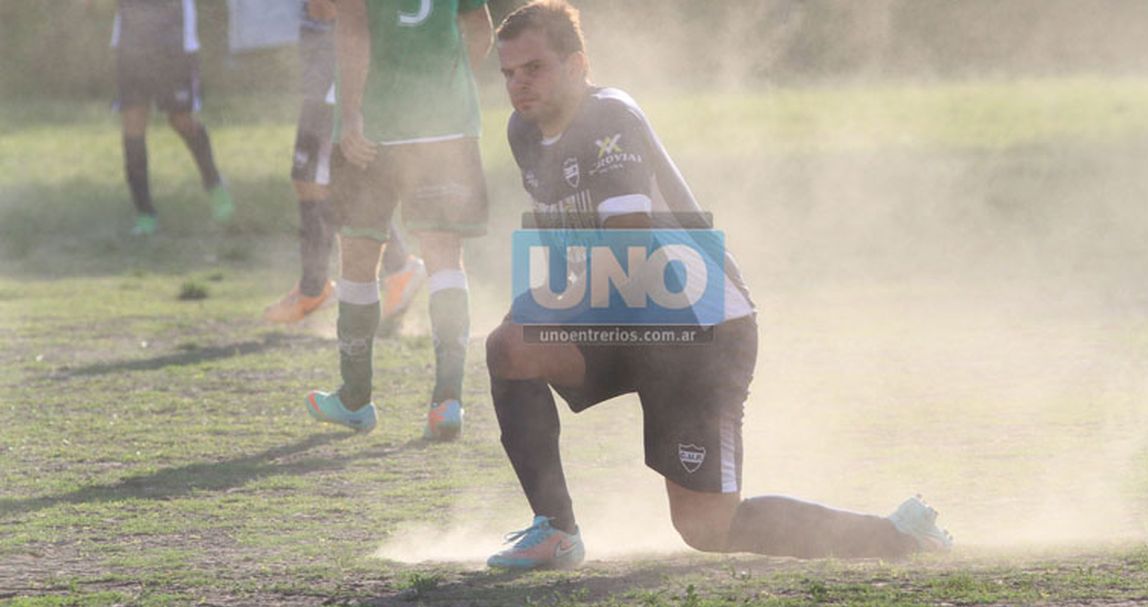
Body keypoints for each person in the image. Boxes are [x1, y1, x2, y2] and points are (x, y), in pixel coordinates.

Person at [484, 0, 952, 571]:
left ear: (577, 64)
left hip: (698, 327)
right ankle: (556, 531)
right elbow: (569, 239)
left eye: (534, 68)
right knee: (512, 347)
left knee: (709, 528)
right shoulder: (524, 130)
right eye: (509, 73)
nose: (519, 85)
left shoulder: (609, 118)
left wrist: (546, 305)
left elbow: (629, 250)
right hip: (627, 315)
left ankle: (899, 535)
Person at [304, 0, 493, 440]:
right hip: (447, 123)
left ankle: (355, 400)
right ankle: (448, 402)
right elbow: (480, 27)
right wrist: (449, 89)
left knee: (359, 252)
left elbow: (353, 28)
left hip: (377, 124)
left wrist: (352, 114)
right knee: (444, 252)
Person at [263, 0, 426, 325]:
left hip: (335, 58)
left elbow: (331, 8)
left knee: (318, 181)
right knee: (318, 181)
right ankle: (389, 269)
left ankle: (322, 286)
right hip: (326, 54)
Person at [107, 0, 235, 235]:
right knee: (133, 121)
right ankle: (145, 213)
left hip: (174, 37)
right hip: (130, 38)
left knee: (181, 120)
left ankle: (215, 185)